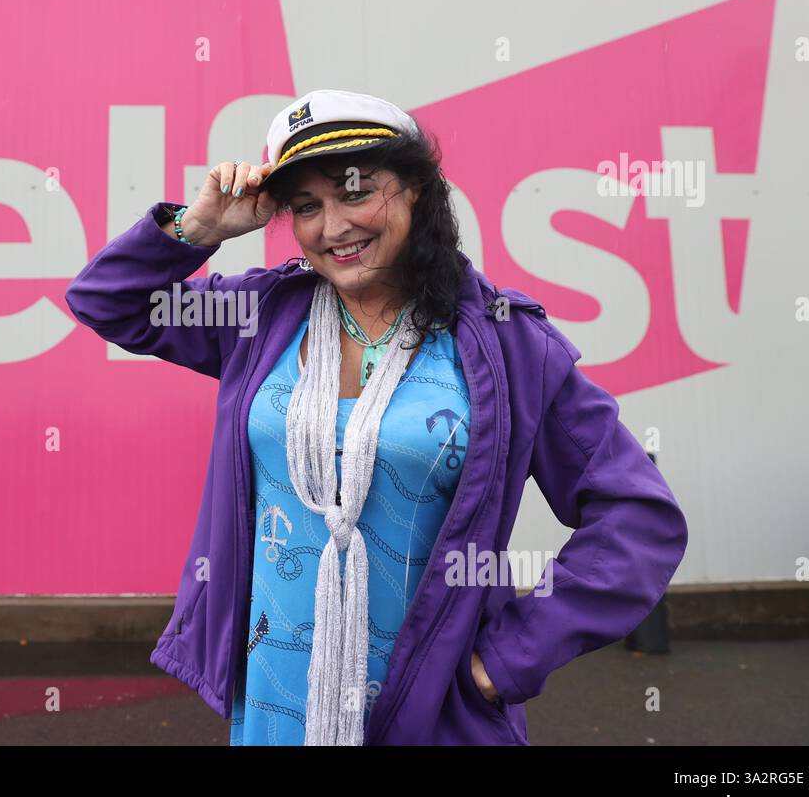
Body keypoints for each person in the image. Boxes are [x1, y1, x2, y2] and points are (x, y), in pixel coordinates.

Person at [65, 88, 688, 745]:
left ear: (416, 189)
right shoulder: (259, 316)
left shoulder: (511, 345)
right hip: (278, 706)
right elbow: (108, 301)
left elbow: (637, 518)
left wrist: (507, 660)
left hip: (432, 713)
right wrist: (199, 230)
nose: (333, 228)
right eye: (307, 206)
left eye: (355, 192)